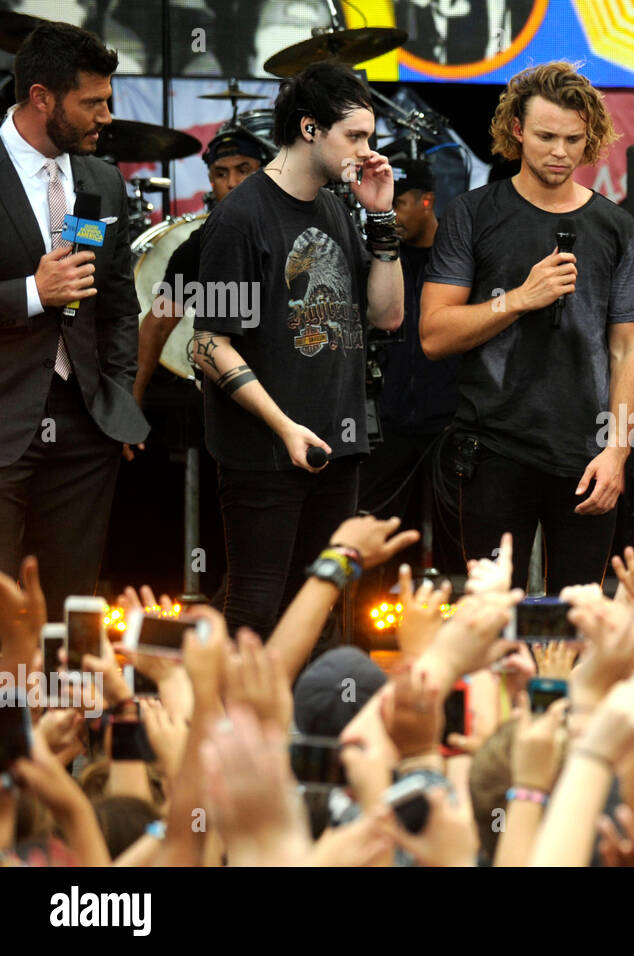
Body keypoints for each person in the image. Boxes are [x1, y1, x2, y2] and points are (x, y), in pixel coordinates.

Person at [190, 62, 403, 642]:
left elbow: (387, 315)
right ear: (310, 129)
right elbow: (208, 342)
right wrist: (284, 427)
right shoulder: (240, 218)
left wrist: (381, 216)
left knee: (322, 610)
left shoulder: (336, 206)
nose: (366, 150)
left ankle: (301, 731)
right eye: (354, 136)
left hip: (336, 439)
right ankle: (232, 730)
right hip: (266, 449)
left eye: (369, 137)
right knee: (257, 607)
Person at [421, 61, 634, 593]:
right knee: (491, 613)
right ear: (517, 130)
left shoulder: (615, 226)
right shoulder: (474, 213)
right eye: (546, 136)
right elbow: (433, 335)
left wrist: (617, 451)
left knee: (578, 615)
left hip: (586, 452)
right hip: (493, 448)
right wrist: (519, 300)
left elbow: (628, 350)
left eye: (574, 139)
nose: (560, 151)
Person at [0, 22, 149, 618]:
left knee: (71, 612)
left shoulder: (101, 181)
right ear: (42, 98)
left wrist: (117, 398)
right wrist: (33, 292)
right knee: (6, 614)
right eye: (92, 102)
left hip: (84, 429)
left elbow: (116, 302)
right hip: (4, 422)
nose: (107, 116)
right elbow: (51, 291)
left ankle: (62, 713)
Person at [359, 159, 463, 575]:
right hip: (389, 421)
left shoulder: (459, 259)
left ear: (427, 201)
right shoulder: (378, 258)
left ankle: (462, 627)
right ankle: (366, 635)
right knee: (377, 541)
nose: (393, 215)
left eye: (400, 203)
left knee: (460, 540)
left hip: (450, 422)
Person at [132, 126, 270, 407]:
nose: (232, 183)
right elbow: (157, 326)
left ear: (265, 173)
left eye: (244, 169)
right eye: (221, 174)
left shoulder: (290, 228)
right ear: (210, 181)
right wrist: (130, 404)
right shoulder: (198, 248)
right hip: (238, 395)